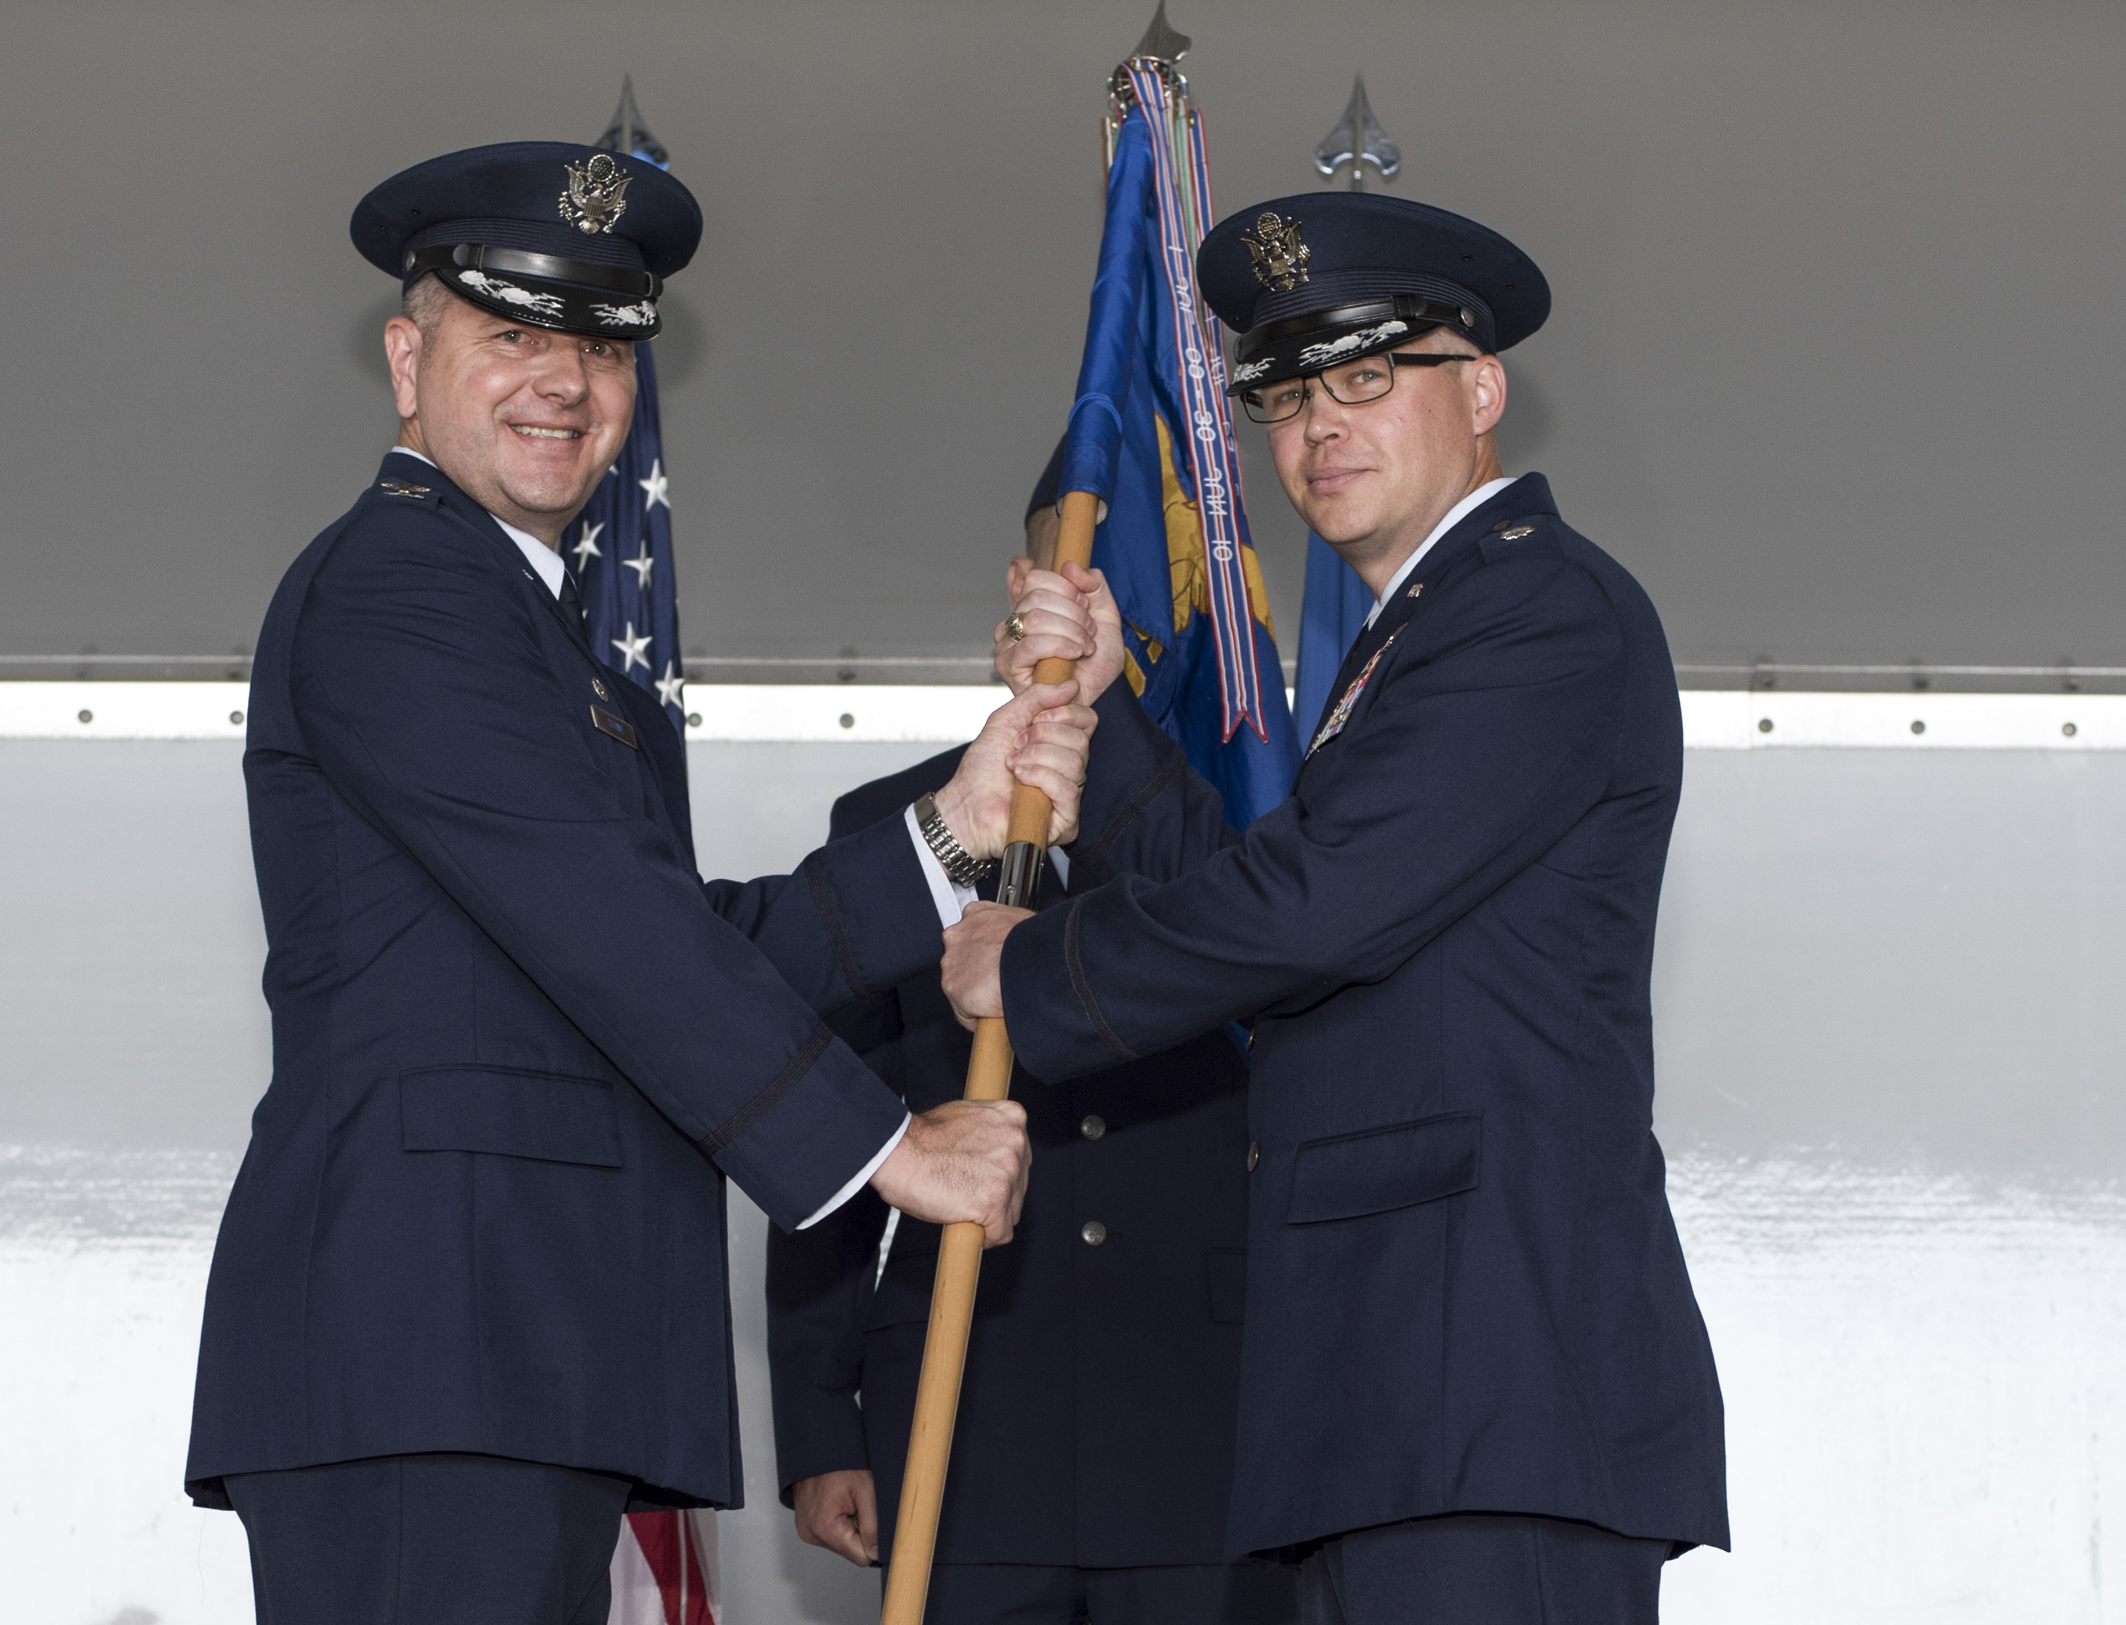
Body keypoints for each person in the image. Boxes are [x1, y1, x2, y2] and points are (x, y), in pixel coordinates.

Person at [183, 141, 1098, 1625]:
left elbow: (669, 933)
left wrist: (951, 819)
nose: (564, 380)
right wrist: (884, 1152)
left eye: (600, 344)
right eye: (513, 334)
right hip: (433, 1352)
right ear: (409, 363)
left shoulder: (524, 627)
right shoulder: (398, 584)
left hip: (505, 1355)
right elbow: (609, 932)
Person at [944, 192, 1730, 1623]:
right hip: (1388, 1402)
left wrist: (1037, 969)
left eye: (1369, 375)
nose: (1318, 427)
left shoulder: (1533, 612)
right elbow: (1289, 892)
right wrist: (1112, 708)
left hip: (1489, 1395)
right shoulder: (1418, 637)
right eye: (1286, 395)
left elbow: (1310, 908)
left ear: (1480, 390)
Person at [765, 447, 1300, 1625]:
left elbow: (1253, 963)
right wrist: (819, 1418)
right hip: (969, 1409)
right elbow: (819, 1114)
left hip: (1197, 1413)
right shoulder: (895, 830)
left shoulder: (1245, 827)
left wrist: (1102, 724)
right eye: (1068, 587)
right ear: (1019, 601)